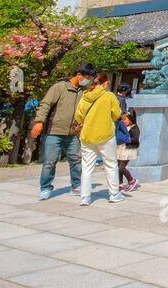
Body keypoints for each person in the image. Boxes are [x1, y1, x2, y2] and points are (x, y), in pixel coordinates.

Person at [30, 64, 95, 200]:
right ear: (79, 75)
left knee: (76, 160)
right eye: (87, 77)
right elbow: (46, 104)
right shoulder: (59, 87)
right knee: (50, 162)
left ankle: (76, 185)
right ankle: (45, 188)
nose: (88, 80)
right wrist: (39, 121)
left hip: (73, 133)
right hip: (54, 131)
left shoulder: (83, 91)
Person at [74, 72, 123, 206]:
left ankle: (85, 197)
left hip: (87, 135)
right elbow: (117, 114)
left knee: (87, 167)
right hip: (105, 134)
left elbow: (78, 116)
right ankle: (114, 194)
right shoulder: (109, 96)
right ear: (105, 83)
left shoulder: (85, 96)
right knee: (111, 165)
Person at [116, 109, 140, 193]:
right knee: (119, 167)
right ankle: (126, 182)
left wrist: (127, 139)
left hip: (129, 150)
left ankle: (126, 182)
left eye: (125, 119)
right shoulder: (124, 127)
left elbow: (135, 139)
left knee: (121, 167)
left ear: (131, 118)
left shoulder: (134, 128)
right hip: (122, 149)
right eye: (122, 119)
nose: (123, 121)